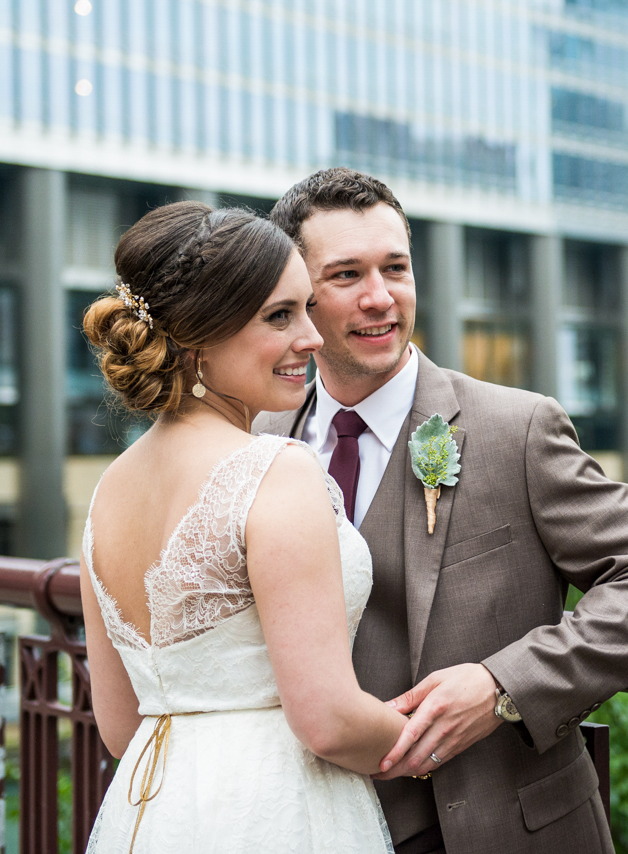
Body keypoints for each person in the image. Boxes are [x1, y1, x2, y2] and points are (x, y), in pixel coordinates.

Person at [256, 168, 628, 854]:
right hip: (316, 824)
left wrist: (505, 682)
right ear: (297, 296)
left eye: (396, 267)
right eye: (348, 275)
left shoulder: (517, 429)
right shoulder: (264, 439)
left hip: (498, 829)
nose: (381, 297)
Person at [78, 201, 402, 853]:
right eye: (278, 316)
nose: (310, 338)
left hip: (151, 810)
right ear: (198, 336)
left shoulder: (107, 488)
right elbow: (328, 720)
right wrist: (443, 737)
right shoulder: (274, 471)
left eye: (307, 308)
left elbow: (119, 725)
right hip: (276, 811)